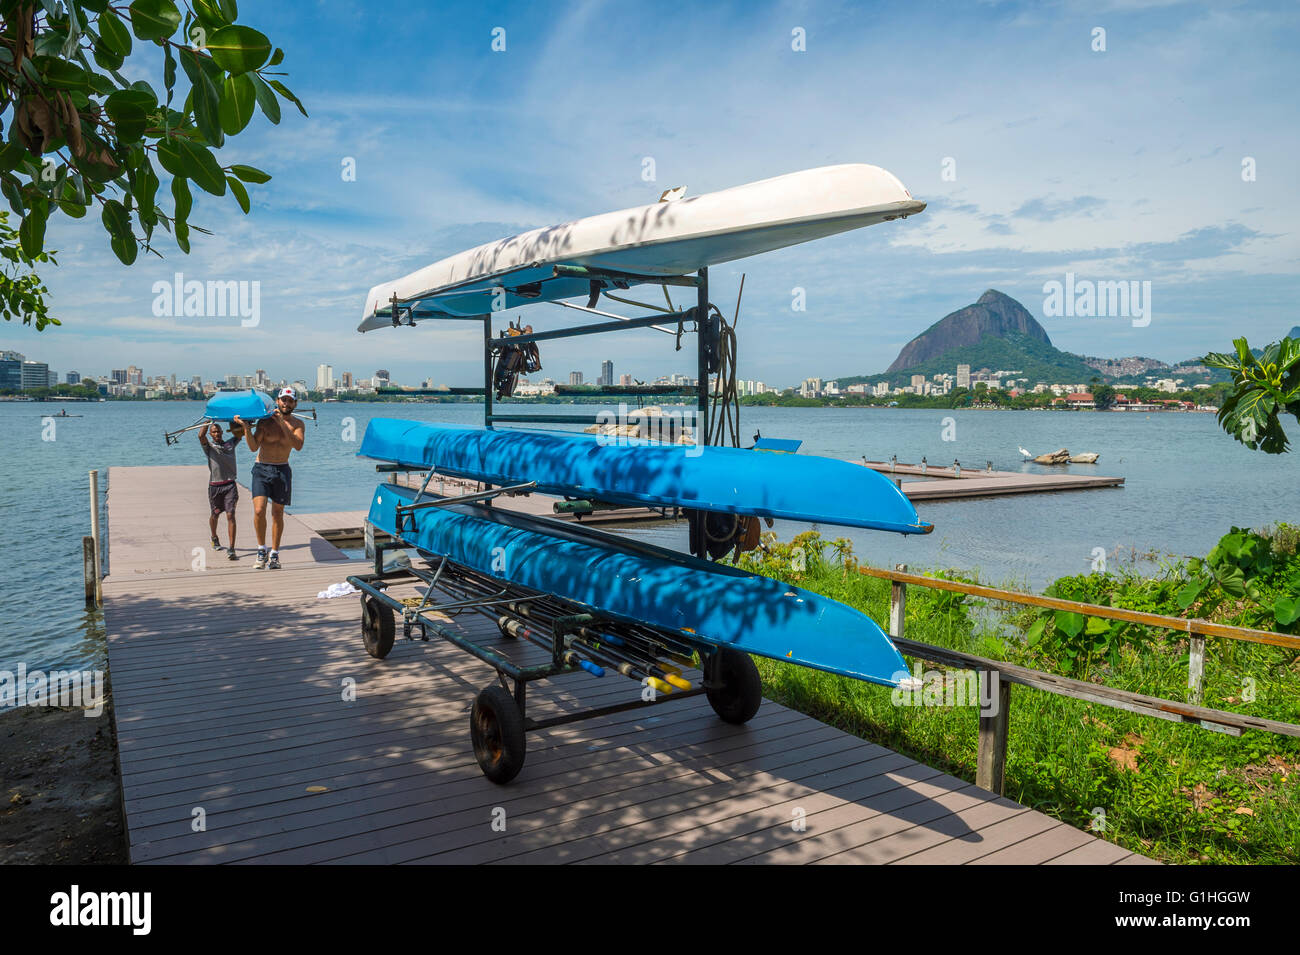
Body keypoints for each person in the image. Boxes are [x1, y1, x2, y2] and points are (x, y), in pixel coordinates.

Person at [234, 387, 305, 569]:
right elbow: (253, 447)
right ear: (277, 401)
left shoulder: (298, 424)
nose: (286, 403)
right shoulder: (264, 422)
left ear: (295, 404)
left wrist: (282, 423)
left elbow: (297, 445)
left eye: (290, 400)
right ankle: (261, 549)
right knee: (259, 510)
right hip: (262, 468)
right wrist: (246, 430)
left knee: (277, 514)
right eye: (283, 400)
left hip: (282, 469)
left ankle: (274, 553)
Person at [199, 421, 243, 560]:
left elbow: (240, 433)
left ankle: (231, 548)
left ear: (222, 432)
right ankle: (214, 536)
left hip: (230, 485)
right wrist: (207, 422)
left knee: (231, 515)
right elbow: (201, 435)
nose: (217, 433)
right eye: (214, 432)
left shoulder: (230, 444)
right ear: (211, 434)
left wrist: (239, 422)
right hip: (215, 487)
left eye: (218, 431)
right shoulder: (209, 447)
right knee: (215, 515)